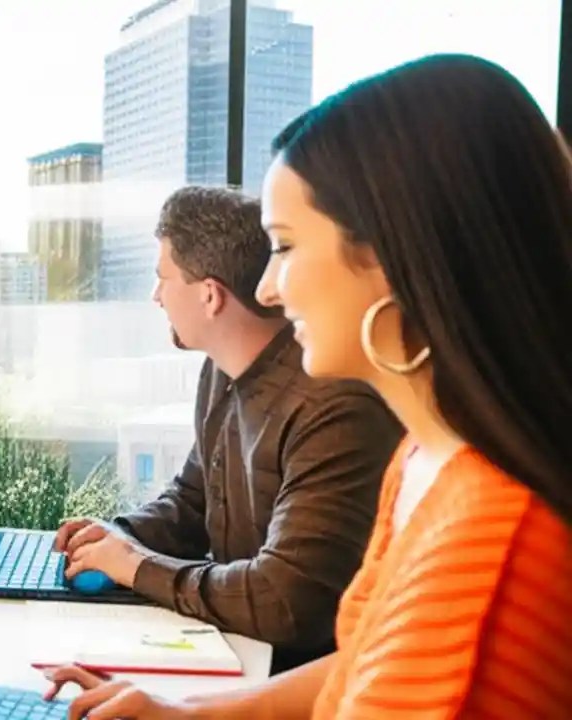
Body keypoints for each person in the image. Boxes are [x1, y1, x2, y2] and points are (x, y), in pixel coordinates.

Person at [46, 54, 572, 719]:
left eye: (286, 248)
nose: (266, 287)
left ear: (392, 257)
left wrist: (137, 570)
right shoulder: (425, 461)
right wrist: (187, 714)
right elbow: (362, 657)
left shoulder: (490, 547)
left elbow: (304, 612)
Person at [54, 186, 401, 671]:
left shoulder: (333, 407)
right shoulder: (221, 370)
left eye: (162, 279)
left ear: (210, 295)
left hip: (297, 678)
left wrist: (134, 567)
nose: (155, 296)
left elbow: (284, 602)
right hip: (244, 651)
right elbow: (193, 500)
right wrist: (115, 538)